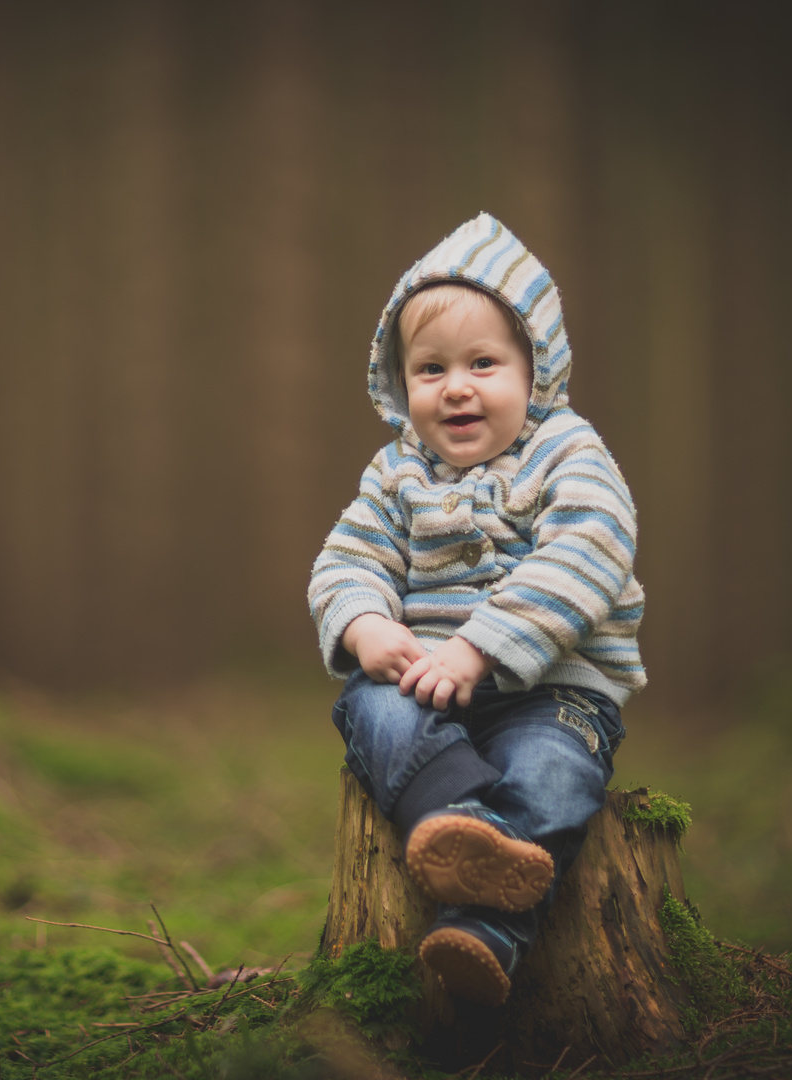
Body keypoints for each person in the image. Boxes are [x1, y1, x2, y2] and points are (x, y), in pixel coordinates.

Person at [307, 213, 646, 1007]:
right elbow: (345, 560)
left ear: (538, 371)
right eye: (430, 369)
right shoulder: (396, 474)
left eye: (484, 363)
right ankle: (457, 820)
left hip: (553, 692)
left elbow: (590, 551)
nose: (456, 386)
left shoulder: (568, 452)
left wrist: (484, 646)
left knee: (554, 775)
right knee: (372, 708)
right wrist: (367, 625)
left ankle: (482, 931)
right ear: (401, 385)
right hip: (426, 685)